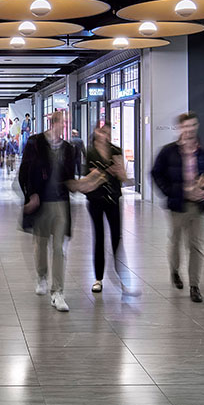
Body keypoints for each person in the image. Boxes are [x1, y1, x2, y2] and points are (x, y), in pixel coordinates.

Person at [19, 109, 83, 312]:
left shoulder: (68, 148)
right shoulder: (35, 143)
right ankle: (41, 276)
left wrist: (78, 185)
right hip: (41, 202)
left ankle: (58, 292)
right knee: (40, 244)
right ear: (53, 123)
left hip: (60, 202)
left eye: (66, 123)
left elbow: (69, 176)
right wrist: (31, 194)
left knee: (58, 248)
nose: (64, 126)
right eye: (62, 123)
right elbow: (24, 172)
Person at [151, 112, 204, 304]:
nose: (190, 129)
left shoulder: (203, 152)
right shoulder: (168, 151)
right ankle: (174, 271)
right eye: (186, 126)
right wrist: (169, 192)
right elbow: (156, 173)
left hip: (197, 206)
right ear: (180, 128)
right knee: (176, 241)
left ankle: (194, 286)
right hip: (178, 205)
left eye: (193, 125)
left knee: (195, 245)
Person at [83, 122, 126, 293]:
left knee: (116, 235)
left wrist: (118, 171)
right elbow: (86, 176)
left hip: (113, 198)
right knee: (99, 236)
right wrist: (95, 176)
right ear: (96, 133)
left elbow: (124, 176)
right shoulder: (90, 152)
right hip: (95, 199)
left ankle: (119, 271)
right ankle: (98, 278)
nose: (105, 136)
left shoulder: (116, 151)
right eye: (102, 132)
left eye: (108, 133)